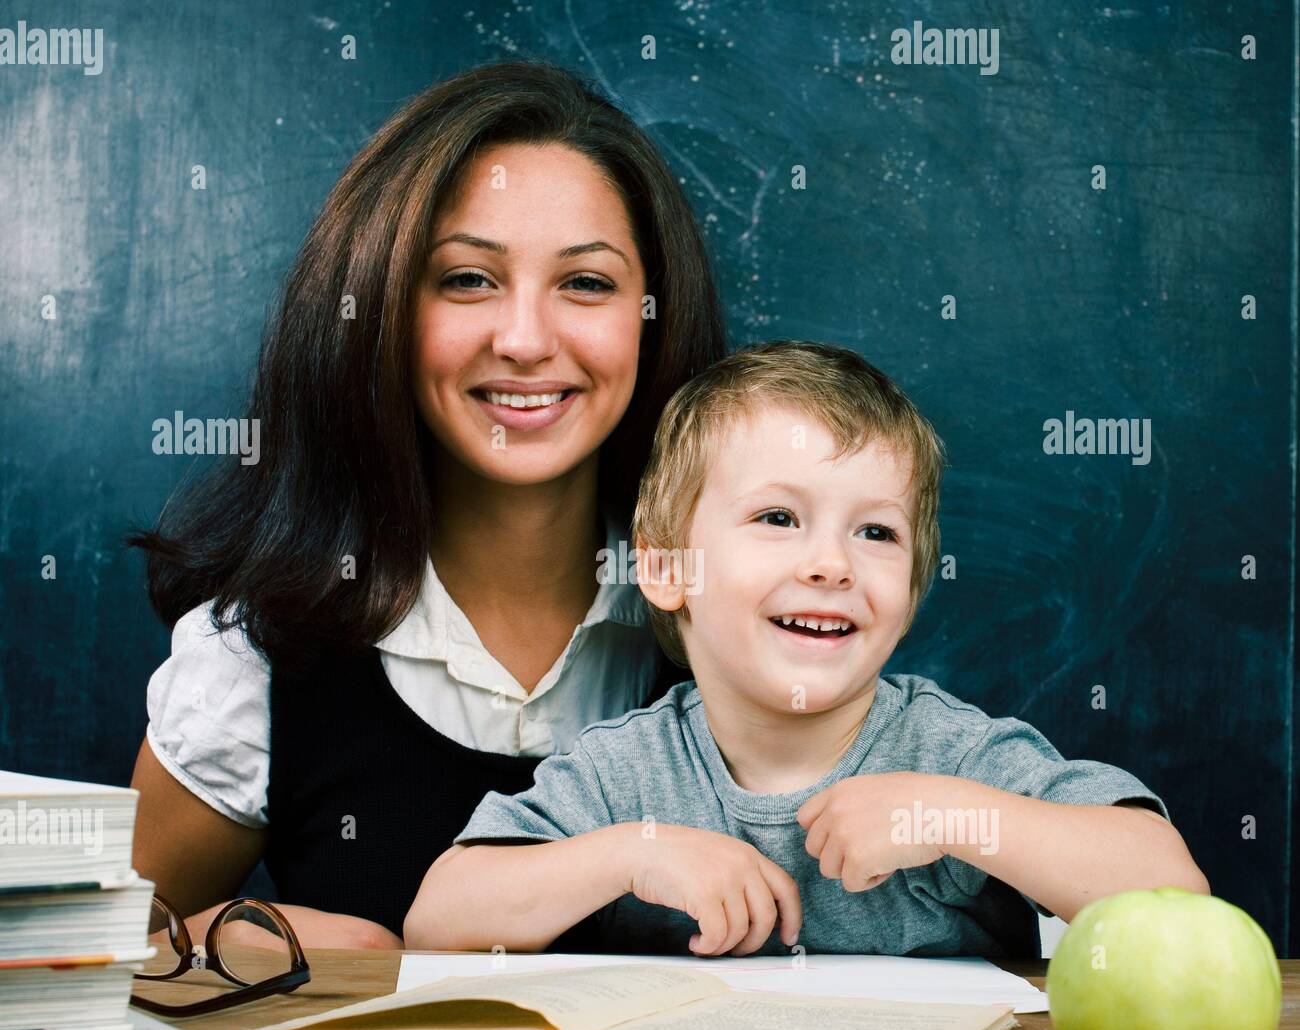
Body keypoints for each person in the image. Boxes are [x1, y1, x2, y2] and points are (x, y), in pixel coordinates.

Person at [125, 60, 725, 949]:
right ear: (379, 314)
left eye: (586, 283)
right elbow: (79, 952)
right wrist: (227, 945)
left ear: (652, 313)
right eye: (467, 280)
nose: (524, 340)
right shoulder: (262, 658)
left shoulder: (753, 615)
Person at [404, 340, 1210, 959]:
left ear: (912, 592)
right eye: (779, 518)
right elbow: (439, 921)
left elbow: (1174, 889)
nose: (832, 564)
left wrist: (957, 818)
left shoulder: (948, 755)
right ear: (663, 568)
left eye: (877, 532)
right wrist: (629, 855)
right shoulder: (628, 770)